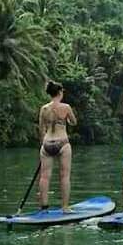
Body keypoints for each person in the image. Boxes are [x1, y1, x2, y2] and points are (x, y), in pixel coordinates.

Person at [38, 80, 76, 212]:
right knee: (64, 176)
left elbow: (41, 129)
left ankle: (44, 206)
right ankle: (65, 207)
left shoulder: (44, 109)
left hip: (47, 143)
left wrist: (43, 144)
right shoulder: (66, 107)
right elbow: (74, 122)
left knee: (44, 176)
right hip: (62, 142)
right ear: (60, 92)